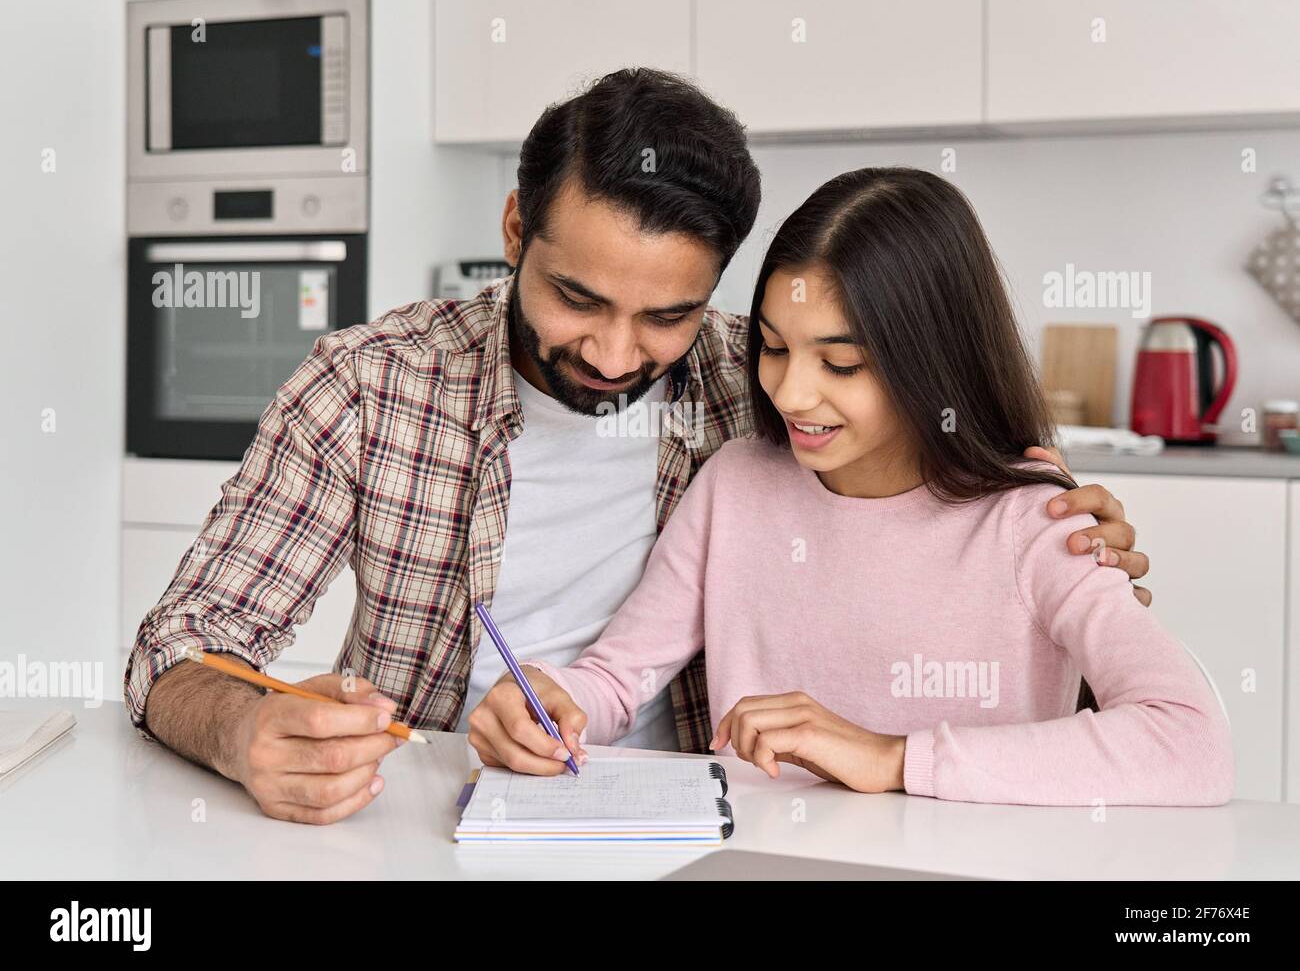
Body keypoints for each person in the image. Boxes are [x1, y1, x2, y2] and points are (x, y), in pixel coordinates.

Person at [126, 71, 1153, 824]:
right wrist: (243, 730)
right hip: (428, 811)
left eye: (666, 314)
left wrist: (1037, 513)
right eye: (578, 297)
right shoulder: (369, 386)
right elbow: (180, 643)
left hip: (705, 824)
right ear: (516, 227)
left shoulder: (758, 385)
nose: (617, 354)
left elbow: (941, 511)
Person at [467, 167, 1233, 806]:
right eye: (772, 347)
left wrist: (895, 759)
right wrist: (552, 702)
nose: (793, 394)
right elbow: (617, 676)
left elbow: (1190, 740)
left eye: (841, 365)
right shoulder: (736, 485)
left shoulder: (1037, 520)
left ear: (930, 360)